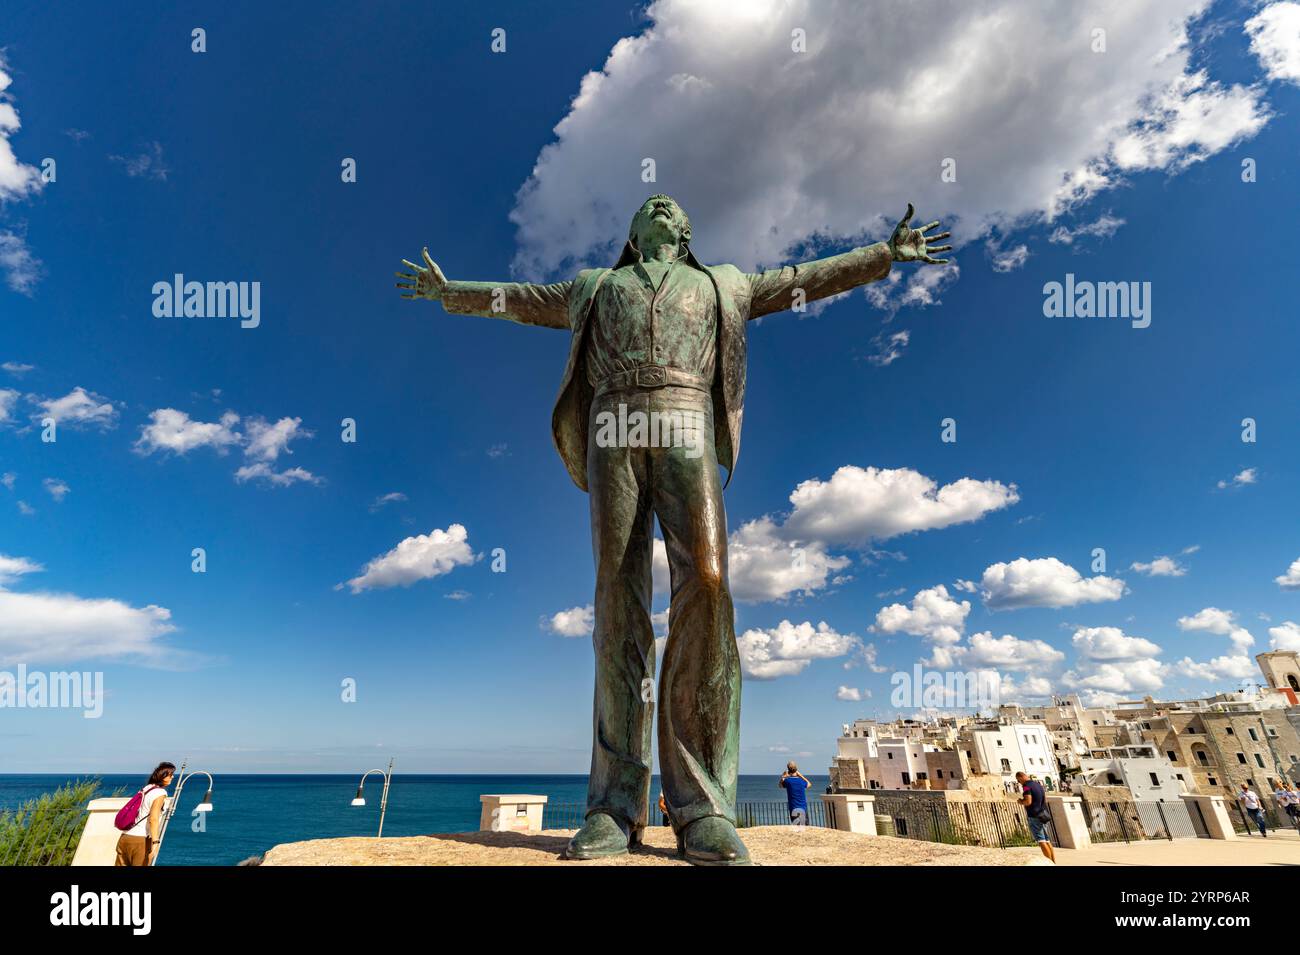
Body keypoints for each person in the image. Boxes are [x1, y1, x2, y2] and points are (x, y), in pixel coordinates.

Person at [115, 762, 174, 866]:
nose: (172, 777)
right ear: (163, 776)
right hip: (140, 840)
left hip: (125, 837)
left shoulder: (147, 788)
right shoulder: (160, 793)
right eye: (170, 774)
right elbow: (153, 819)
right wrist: (155, 843)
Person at [1016, 770, 1055, 862]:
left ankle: (1048, 863)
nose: (1019, 782)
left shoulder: (1026, 787)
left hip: (1034, 816)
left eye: (1018, 780)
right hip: (1043, 814)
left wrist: (1020, 801)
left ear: (1021, 777)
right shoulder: (1038, 785)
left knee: (1041, 840)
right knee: (1047, 840)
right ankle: (1053, 862)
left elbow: (1028, 801)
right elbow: (1044, 799)